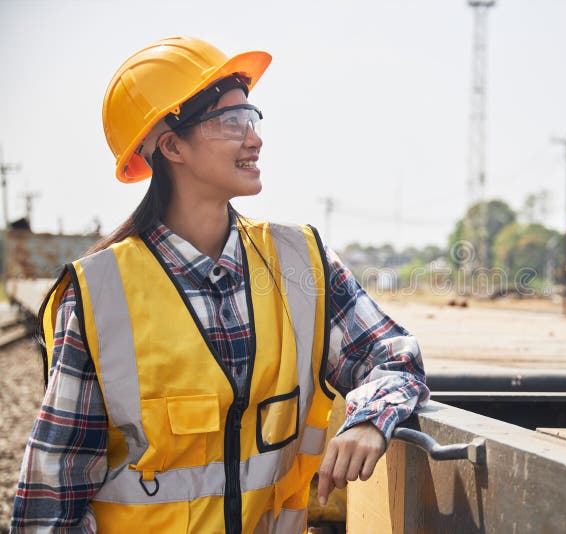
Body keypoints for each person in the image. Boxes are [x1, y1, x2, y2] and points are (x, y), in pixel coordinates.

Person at [11, 36, 429, 533]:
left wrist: (369, 420)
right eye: (230, 122)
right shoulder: (100, 291)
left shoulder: (301, 262)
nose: (253, 138)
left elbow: (394, 357)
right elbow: (51, 495)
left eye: (250, 118)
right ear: (172, 146)